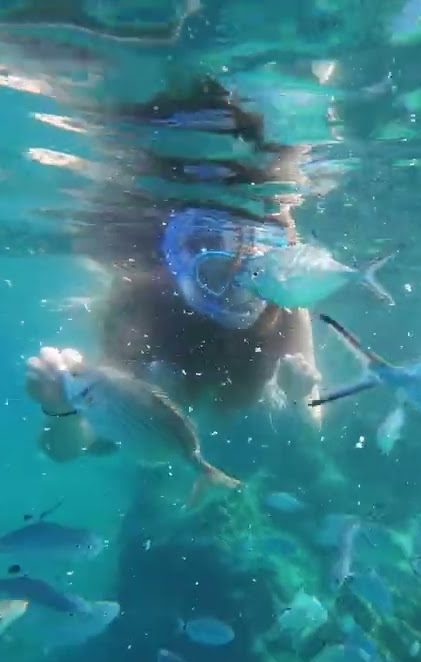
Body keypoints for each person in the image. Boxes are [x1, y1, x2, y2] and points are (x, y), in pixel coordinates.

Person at [23, 76, 325, 465]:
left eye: (255, 250)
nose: (235, 266)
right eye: (204, 246)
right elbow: (75, 444)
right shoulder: (142, 300)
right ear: (175, 255)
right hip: (230, 130)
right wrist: (61, 406)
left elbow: (312, 426)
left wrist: (300, 398)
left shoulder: (282, 300)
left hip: (161, 125)